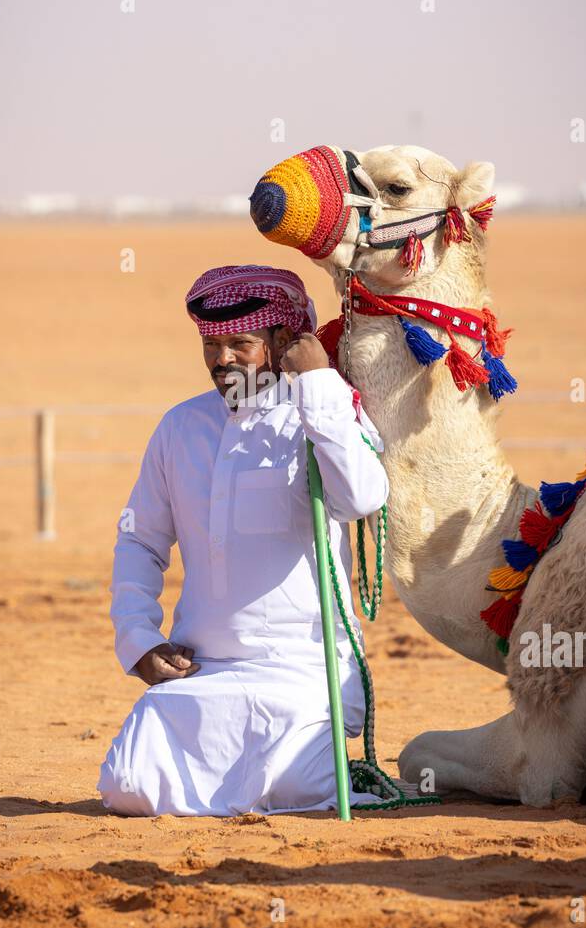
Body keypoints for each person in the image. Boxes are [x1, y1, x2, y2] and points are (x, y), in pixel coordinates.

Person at [96, 263, 389, 816]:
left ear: (284, 340)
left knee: (303, 789)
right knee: (127, 786)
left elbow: (362, 498)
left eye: (240, 342)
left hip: (302, 678)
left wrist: (318, 385)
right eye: (211, 344)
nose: (221, 360)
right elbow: (140, 541)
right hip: (203, 677)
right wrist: (138, 638)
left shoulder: (324, 415)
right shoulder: (180, 429)